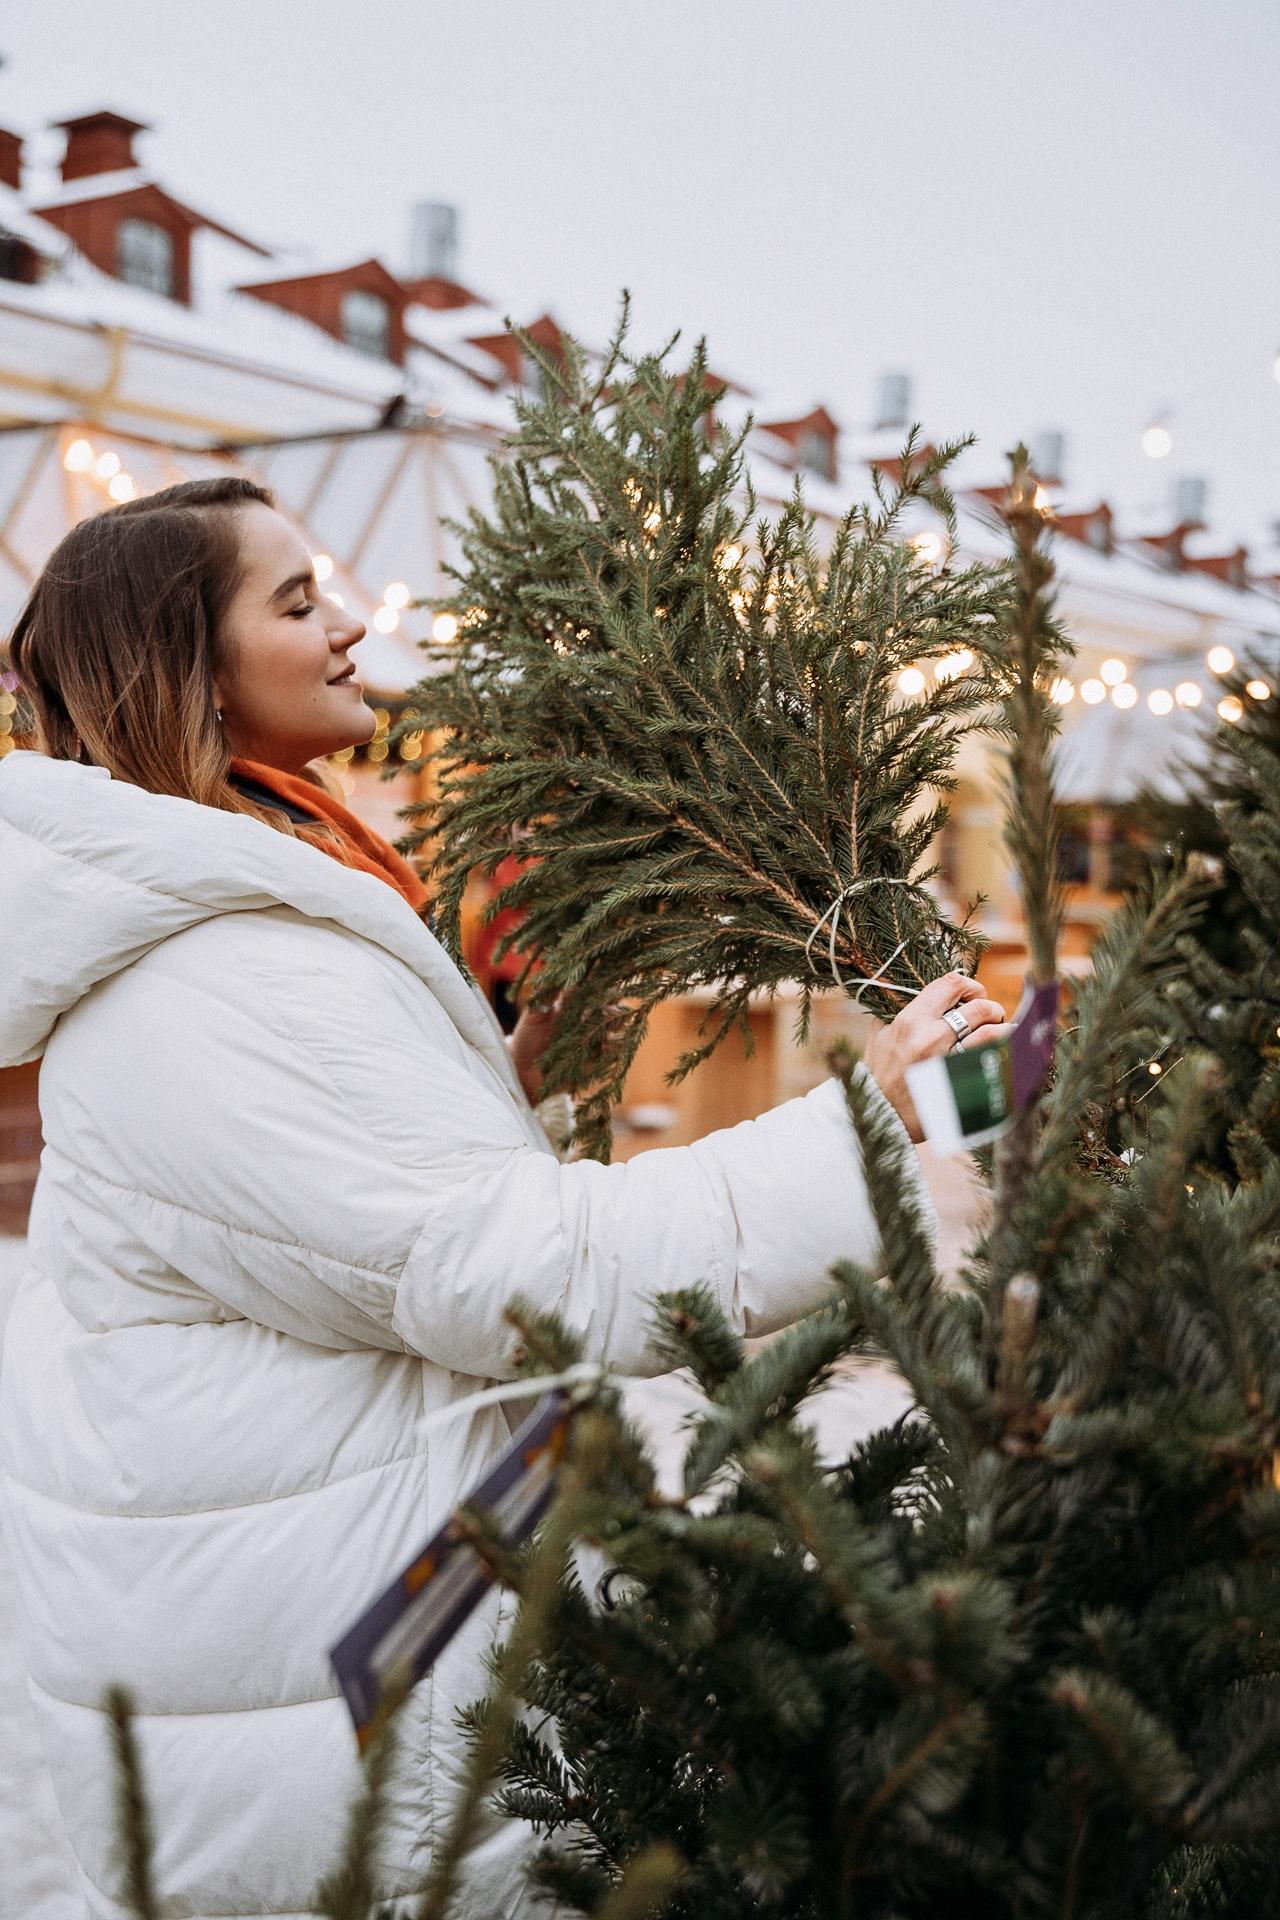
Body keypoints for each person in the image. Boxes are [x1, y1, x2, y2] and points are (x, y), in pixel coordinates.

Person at [0, 478, 1010, 1920]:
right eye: (294, 604)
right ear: (187, 671)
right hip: (343, 1698)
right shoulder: (214, 975)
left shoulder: (254, 906)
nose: (350, 627)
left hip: (343, 1616)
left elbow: (338, 1221)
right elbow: (508, 1275)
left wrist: (505, 1082)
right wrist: (873, 1128)